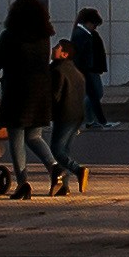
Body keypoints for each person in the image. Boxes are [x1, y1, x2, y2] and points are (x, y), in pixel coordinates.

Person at [0, 0, 57, 201]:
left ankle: (23, 182)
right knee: (34, 136)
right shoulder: (44, 37)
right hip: (40, 92)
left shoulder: (9, 35)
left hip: (17, 92)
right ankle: (56, 170)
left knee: (17, 138)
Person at [42, 39, 90, 194]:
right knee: (64, 150)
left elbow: (54, 96)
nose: (53, 49)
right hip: (77, 116)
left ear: (64, 54)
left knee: (56, 150)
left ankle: (78, 169)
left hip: (64, 115)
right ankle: (64, 186)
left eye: (57, 47)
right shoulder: (77, 73)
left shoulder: (57, 70)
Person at [67, 7, 110, 128]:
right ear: (88, 22)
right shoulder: (83, 34)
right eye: (94, 24)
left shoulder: (83, 33)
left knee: (93, 94)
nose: (95, 27)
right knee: (95, 94)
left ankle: (92, 120)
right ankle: (91, 120)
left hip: (89, 69)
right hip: (88, 69)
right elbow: (83, 54)